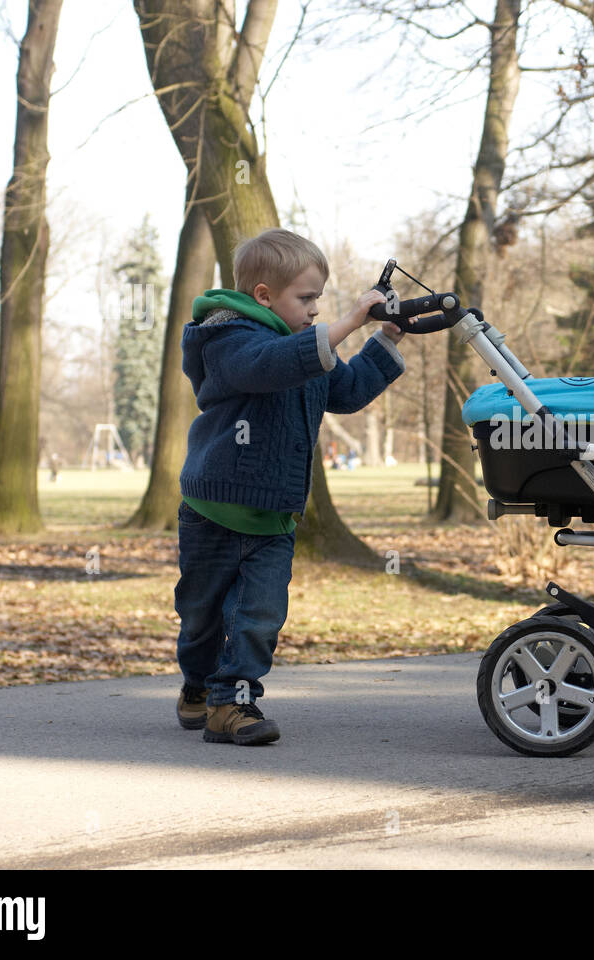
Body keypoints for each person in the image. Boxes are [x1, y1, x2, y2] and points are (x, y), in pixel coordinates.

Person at [173, 228, 405, 745]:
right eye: (306, 299)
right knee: (201, 617)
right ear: (263, 296)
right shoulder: (226, 340)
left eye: (320, 300)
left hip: (274, 515)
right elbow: (270, 367)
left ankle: (233, 703)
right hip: (212, 510)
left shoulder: (303, 349)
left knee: (260, 614)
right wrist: (347, 322)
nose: (316, 310)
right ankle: (198, 683)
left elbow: (343, 390)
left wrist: (384, 340)